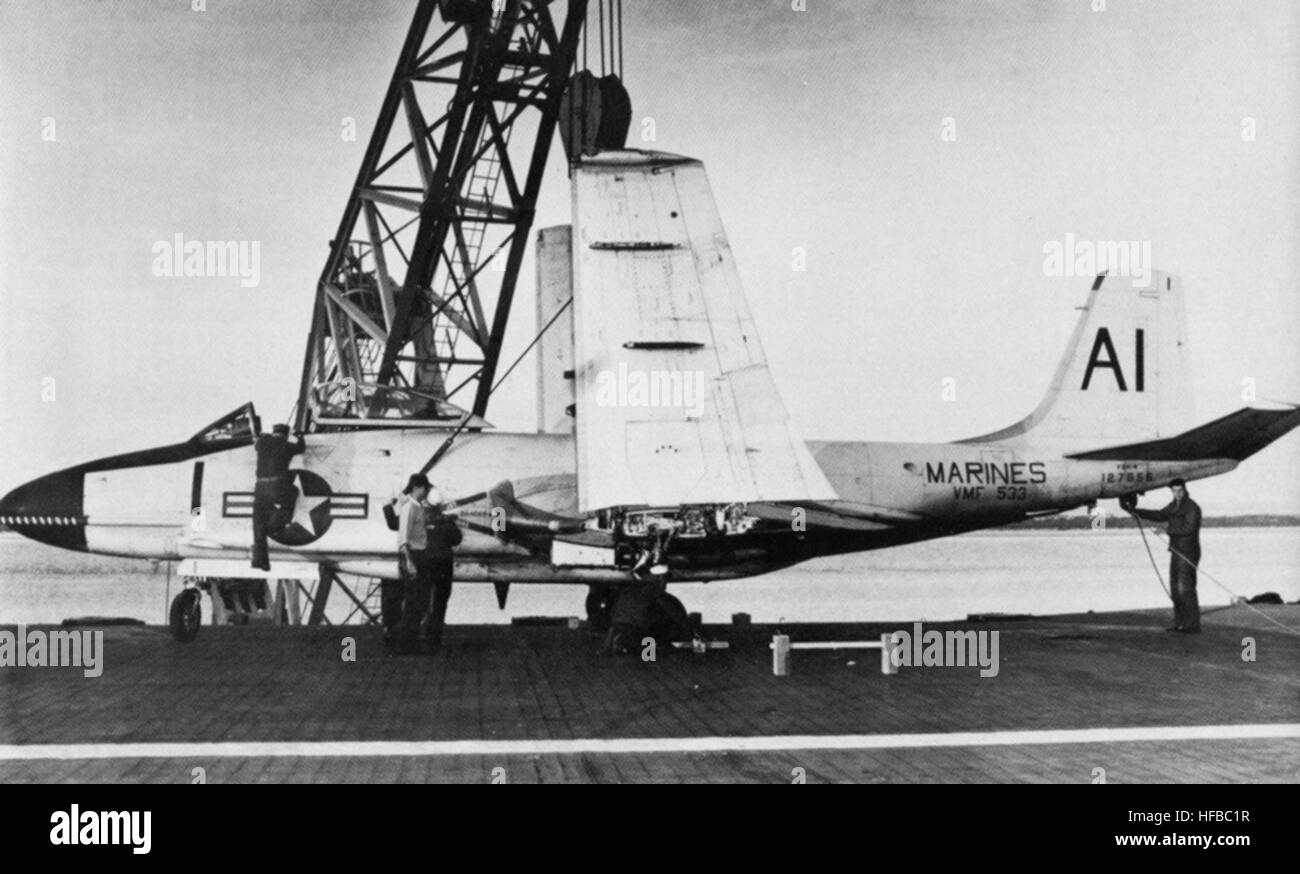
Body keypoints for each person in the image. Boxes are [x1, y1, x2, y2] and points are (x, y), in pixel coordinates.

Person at [1120, 478, 1203, 633]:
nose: (1177, 494)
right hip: (1176, 551)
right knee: (1175, 589)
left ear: (1185, 490)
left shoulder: (1192, 507)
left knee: (1185, 588)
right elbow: (1159, 515)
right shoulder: (1174, 505)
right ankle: (1181, 623)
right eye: (1174, 491)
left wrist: (1167, 531)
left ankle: (1192, 625)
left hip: (1188, 553)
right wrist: (1136, 511)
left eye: (1180, 491)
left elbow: (1189, 529)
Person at [251, 424, 304, 571]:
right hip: (277, 487)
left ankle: (260, 561)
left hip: (260, 487)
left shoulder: (262, 444)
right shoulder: (287, 445)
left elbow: (258, 442)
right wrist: (300, 437)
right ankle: (280, 524)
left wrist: (264, 436)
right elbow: (301, 448)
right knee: (293, 491)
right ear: (286, 435)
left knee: (258, 523)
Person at [394, 474, 433, 654]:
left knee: (418, 602)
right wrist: (410, 563)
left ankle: (411, 642)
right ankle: (406, 645)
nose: (427, 492)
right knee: (412, 603)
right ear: (417, 487)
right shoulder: (409, 508)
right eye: (425, 488)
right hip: (413, 556)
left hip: (420, 555)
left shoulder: (418, 507)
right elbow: (403, 540)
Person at [423, 501, 462, 653]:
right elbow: (457, 539)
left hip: (426, 563)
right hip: (444, 564)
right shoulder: (447, 522)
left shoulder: (421, 521)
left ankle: (424, 634)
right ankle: (435, 638)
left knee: (425, 600)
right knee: (440, 602)